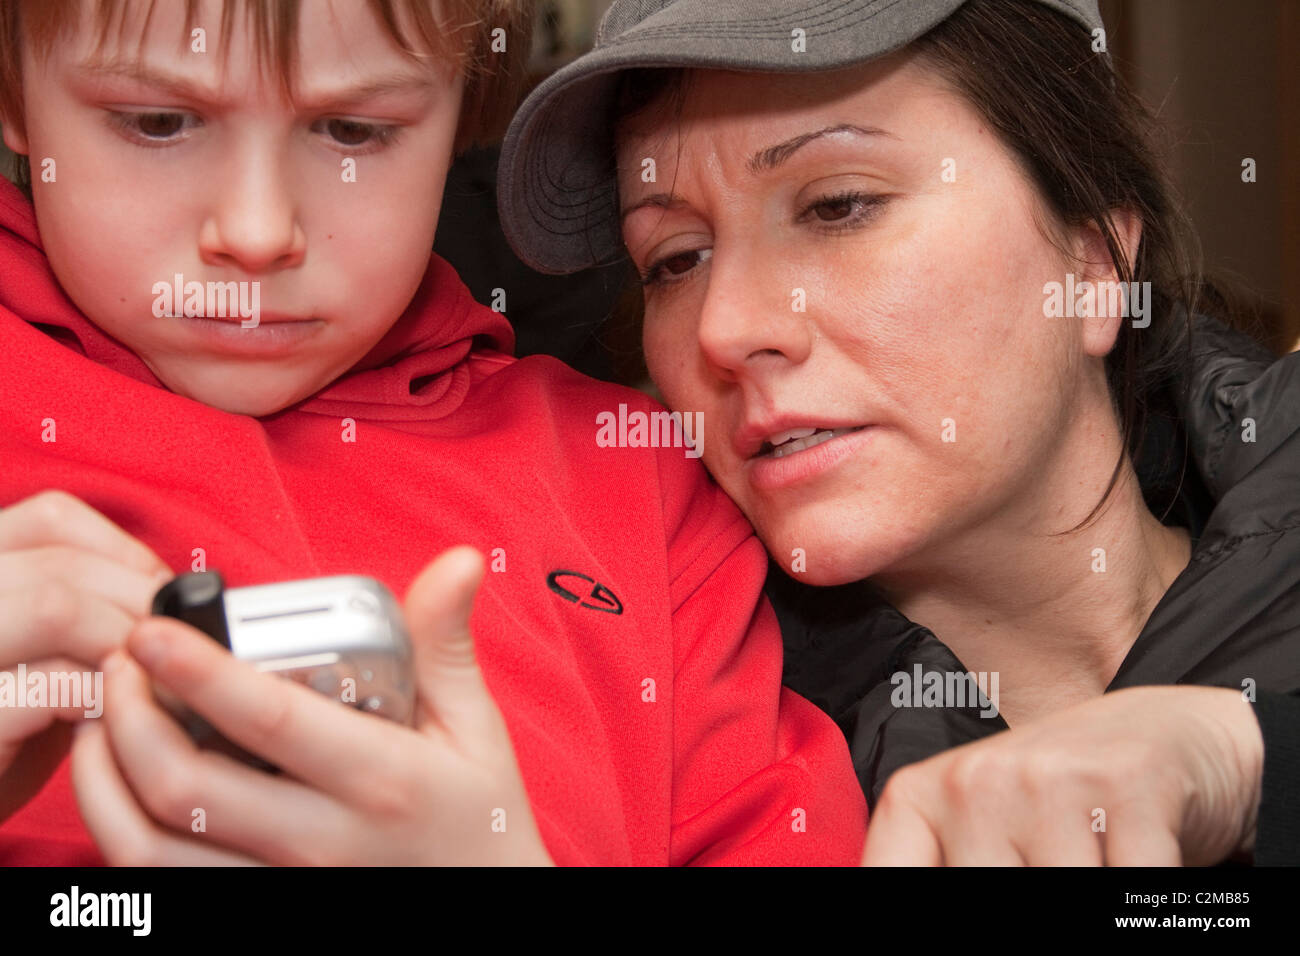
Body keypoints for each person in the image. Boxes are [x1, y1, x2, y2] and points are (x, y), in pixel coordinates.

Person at [0, 0, 867, 865]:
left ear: (463, 109)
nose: (258, 234)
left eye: (352, 131)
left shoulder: (632, 479)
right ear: (13, 96)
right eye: (157, 122)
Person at [496, 0, 1300, 864]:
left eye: (838, 205)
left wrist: (1269, 774)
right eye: (674, 259)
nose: (722, 329)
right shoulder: (686, 758)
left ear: (1096, 260)